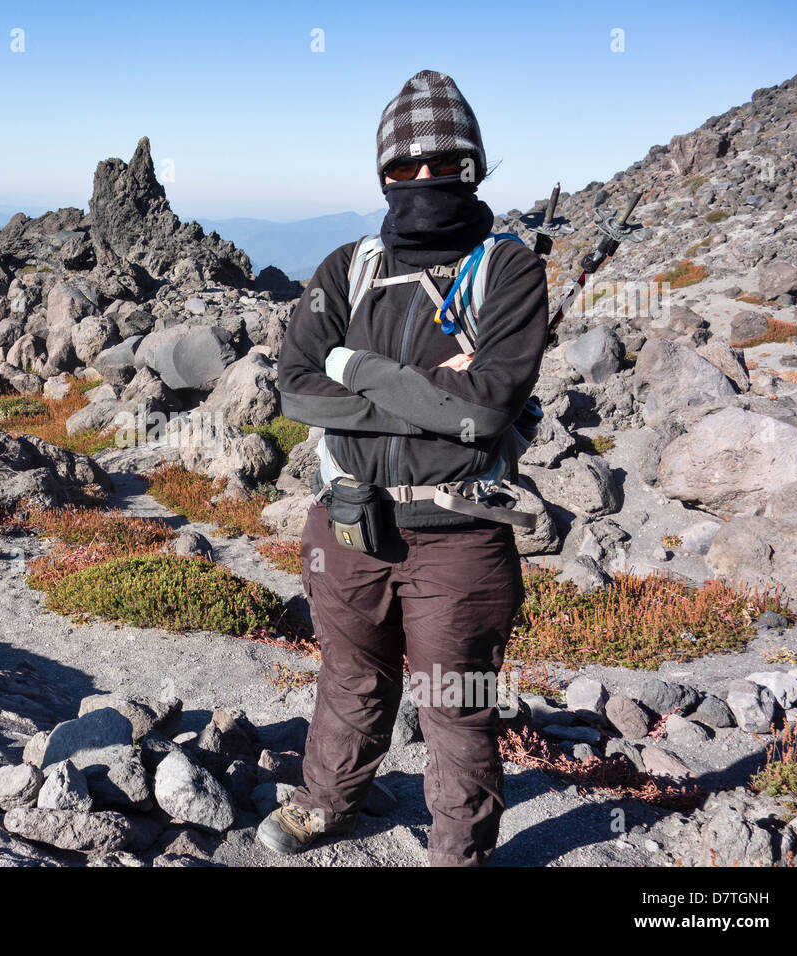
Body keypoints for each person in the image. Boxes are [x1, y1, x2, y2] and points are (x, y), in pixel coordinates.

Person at [259, 70, 550, 866]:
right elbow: (294, 388)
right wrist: (431, 396)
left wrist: (353, 364)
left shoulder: (511, 270)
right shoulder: (347, 266)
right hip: (347, 519)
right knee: (349, 679)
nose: (424, 180)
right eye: (403, 167)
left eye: (445, 163)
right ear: (382, 174)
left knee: (459, 706)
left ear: (475, 166)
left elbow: (487, 410)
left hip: (461, 532)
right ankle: (327, 804)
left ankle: (457, 853)